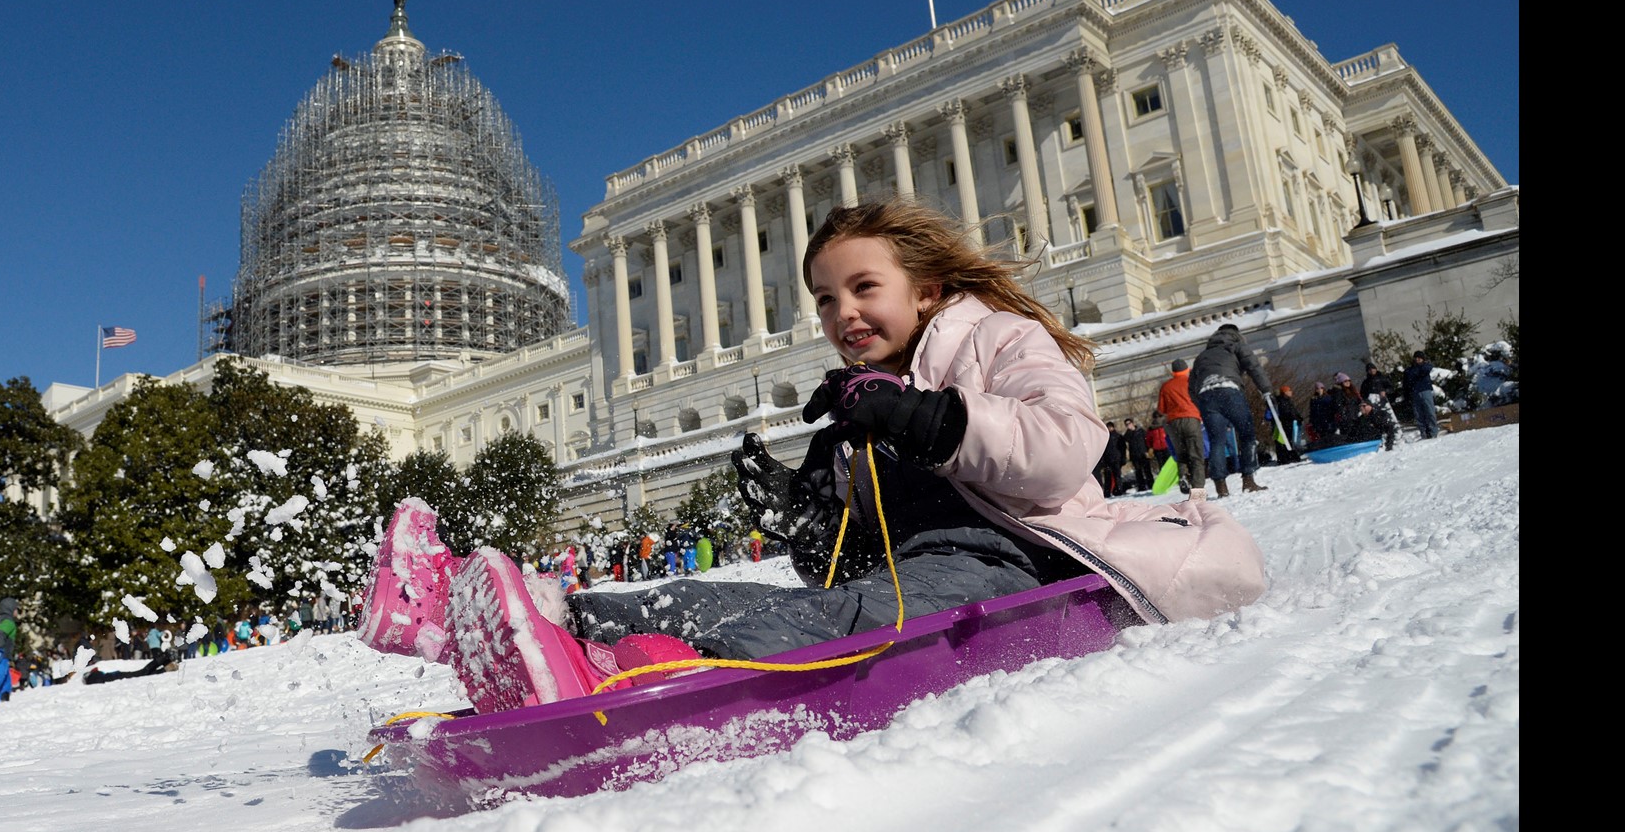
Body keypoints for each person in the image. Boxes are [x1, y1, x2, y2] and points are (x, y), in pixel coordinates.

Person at [362, 199, 1266, 716]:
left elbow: (1070, 449)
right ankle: (515, 614)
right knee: (723, 596)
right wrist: (799, 512)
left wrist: (924, 420)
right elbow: (838, 561)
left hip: (1011, 563)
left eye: (864, 288)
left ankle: (603, 668)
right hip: (910, 576)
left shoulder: (996, 338)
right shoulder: (855, 411)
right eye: (827, 301)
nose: (843, 316)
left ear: (929, 289)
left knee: (813, 632)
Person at [1186, 323, 1272, 496]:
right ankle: (1248, 479)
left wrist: (1201, 404)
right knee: (1247, 435)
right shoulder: (1237, 345)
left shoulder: (1202, 356)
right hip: (1229, 390)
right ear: (1236, 334)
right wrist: (1266, 389)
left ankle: (1221, 487)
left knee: (1216, 441)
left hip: (1207, 395)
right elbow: (1253, 367)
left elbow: (1191, 387)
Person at [1156, 358, 1207, 499]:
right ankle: (1198, 492)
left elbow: (1161, 409)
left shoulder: (1165, 386)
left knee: (1182, 455)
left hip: (1173, 423)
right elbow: (1201, 401)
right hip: (1191, 419)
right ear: (1186, 369)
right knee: (1196, 456)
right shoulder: (1192, 382)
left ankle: (1183, 476)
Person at [1404, 350, 1442, 440]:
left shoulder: (1425, 366)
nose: (1417, 360)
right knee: (1419, 415)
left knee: (1430, 412)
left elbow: (1426, 369)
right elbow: (1408, 379)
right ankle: (1423, 433)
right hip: (1415, 392)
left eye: (1419, 358)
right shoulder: (1410, 369)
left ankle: (1434, 432)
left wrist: (1417, 372)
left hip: (1425, 391)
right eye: (1416, 358)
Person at [1270, 385, 1304, 464]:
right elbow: (1287, 413)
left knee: (1287, 441)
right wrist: (1295, 417)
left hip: (1288, 423)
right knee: (1286, 441)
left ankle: (1287, 457)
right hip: (1286, 424)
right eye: (1289, 391)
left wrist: (1298, 417)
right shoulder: (1282, 401)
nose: (1291, 392)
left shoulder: (1287, 401)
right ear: (1285, 392)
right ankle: (1287, 457)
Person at [1096, 421, 1127, 497]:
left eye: (1110, 427)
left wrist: (1123, 458)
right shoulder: (1104, 437)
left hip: (1116, 459)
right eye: (1108, 427)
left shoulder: (1118, 436)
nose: (1109, 428)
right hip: (1107, 460)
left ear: (1113, 427)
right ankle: (1107, 492)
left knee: (1117, 476)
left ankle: (1119, 490)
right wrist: (1102, 460)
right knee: (1107, 477)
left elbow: (1123, 448)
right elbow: (1102, 450)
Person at [1122, 418, 1153, 492]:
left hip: (1143, 453)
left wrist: (1149, 451)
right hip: (1135, 455)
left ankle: (1151, 484)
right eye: (1126, 424)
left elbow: (1147, 440)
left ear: (1132, 423)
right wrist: (1129, 431)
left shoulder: (1141, 431)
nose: (1128, 425)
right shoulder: (1128, 434)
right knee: (1138, 472)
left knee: (1147, 471)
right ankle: (1141, 486)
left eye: (1129, 423)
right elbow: (1126, 440)